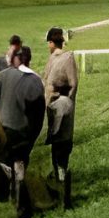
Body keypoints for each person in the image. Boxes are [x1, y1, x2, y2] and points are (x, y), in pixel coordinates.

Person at [0, 43, 47, 218]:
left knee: (3, 160)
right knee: (17, 165)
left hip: (17, 134)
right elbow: (38, 113)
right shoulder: (34, 79)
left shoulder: (11, 76)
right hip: (26, 134)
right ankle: (20, 195)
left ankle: (23, 203)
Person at [46, 77, 75, 210]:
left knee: (57, 166)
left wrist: (51, 136)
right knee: (63, 164)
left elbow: (56, 125)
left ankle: (62, 196)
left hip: (59, 141)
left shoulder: (56, 105)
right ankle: (66, 193)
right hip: (68, 139)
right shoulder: (70, 102)